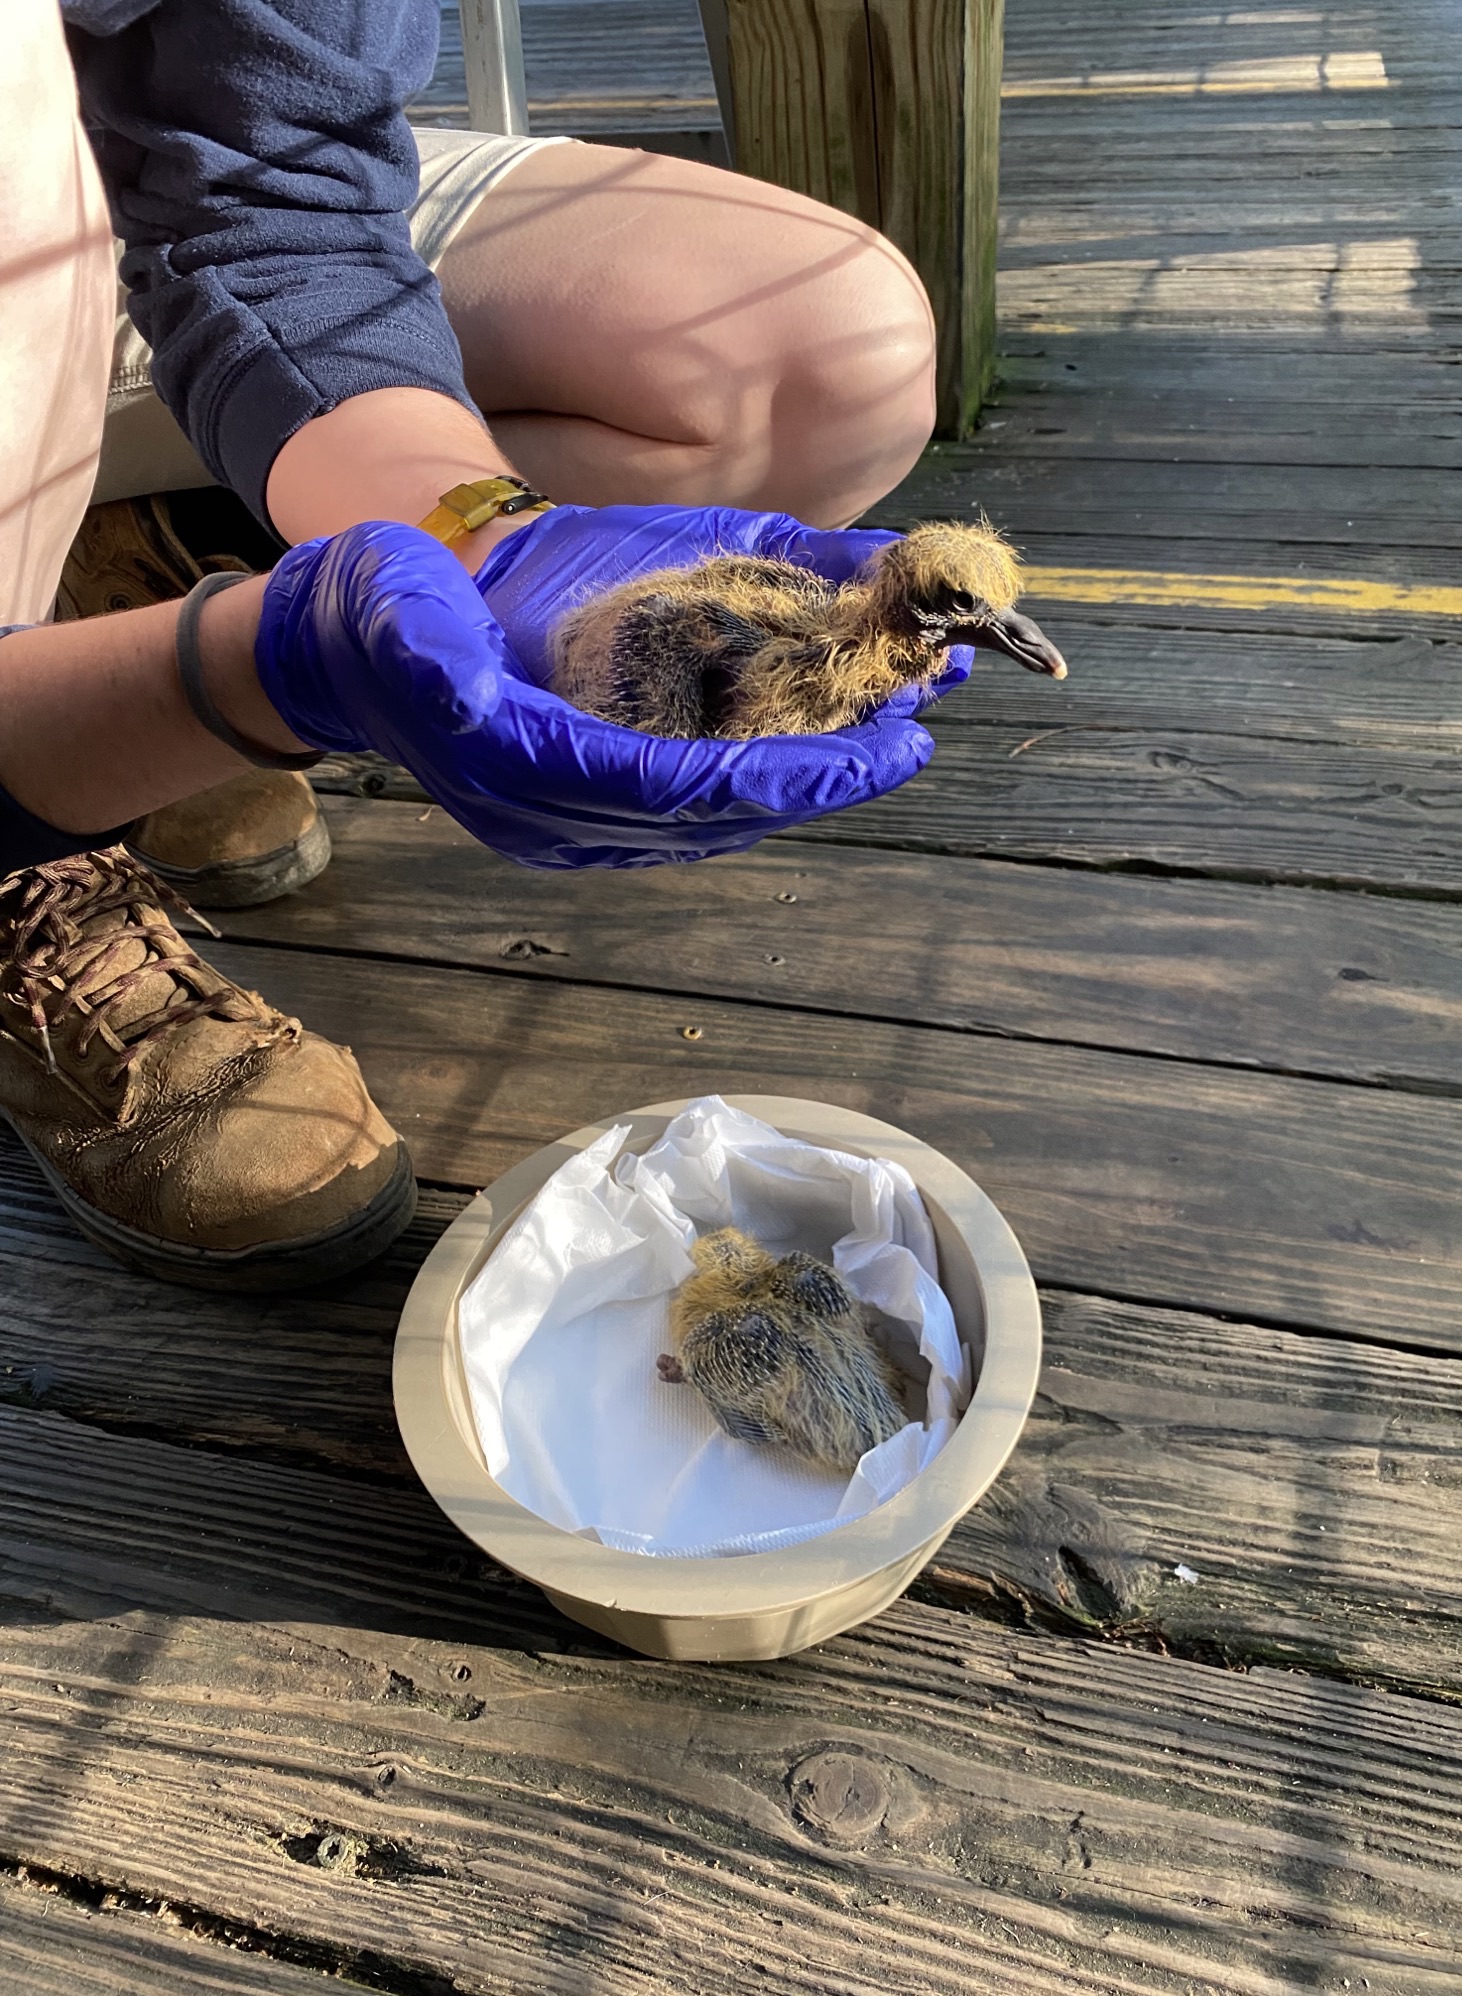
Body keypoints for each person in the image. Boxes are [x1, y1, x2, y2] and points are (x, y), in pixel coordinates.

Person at [0, 0, 939, 1291]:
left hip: (91, 215)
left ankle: (107, 591)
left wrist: (485, 532)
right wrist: (248, 676)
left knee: (828, 353)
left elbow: (275, 182)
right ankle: (38, 814)